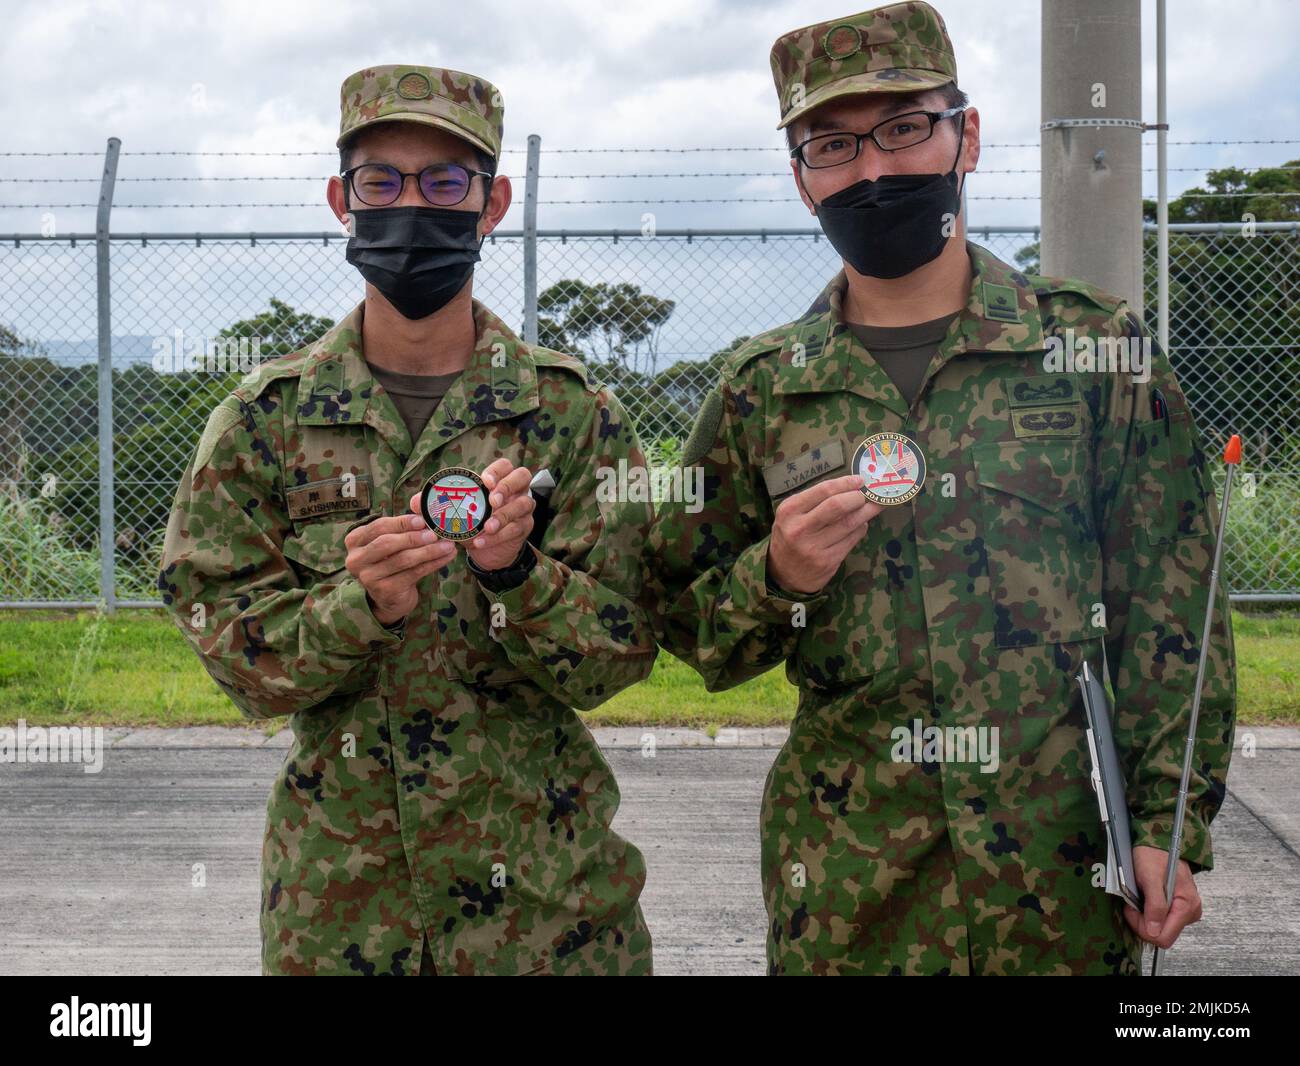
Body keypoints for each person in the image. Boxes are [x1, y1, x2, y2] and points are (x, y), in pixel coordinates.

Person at [644, 3, 1235, 975]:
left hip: (1057, 887)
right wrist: (779, 577)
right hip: (848, 893)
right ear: (800, 180)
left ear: (966, 136)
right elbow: (689, 624)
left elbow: (1173, 615)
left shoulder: (1095, 354)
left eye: (904, 127)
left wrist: (1169, 819)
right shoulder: (762, 388)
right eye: (831, 143)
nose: (872, 169)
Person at [160, 64, 656, 975]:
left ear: (493, 201)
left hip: (549, 911)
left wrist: (519, 573)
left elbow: (621, 654)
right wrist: (363, 608)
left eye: (444, 183)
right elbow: (238, 661)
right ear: (340, 201)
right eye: (381, 182)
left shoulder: (575, 416)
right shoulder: (265, 420)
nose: (411, 208)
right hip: (343, 911)